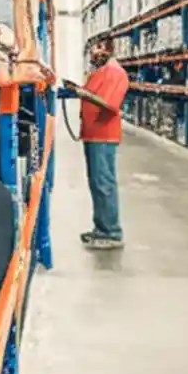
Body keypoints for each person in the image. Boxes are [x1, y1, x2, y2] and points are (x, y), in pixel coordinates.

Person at [66, 40, 130, 250]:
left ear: (110, 50)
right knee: (96, 183)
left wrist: (83, 94)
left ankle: (111, 233)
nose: (95, 52)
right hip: (93, 134)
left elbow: (110, 104)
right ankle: (101, 227)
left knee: (104, 183)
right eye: (93, 49)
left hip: (104, 136)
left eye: (100, 48)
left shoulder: (114, 72)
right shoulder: (101, 71)